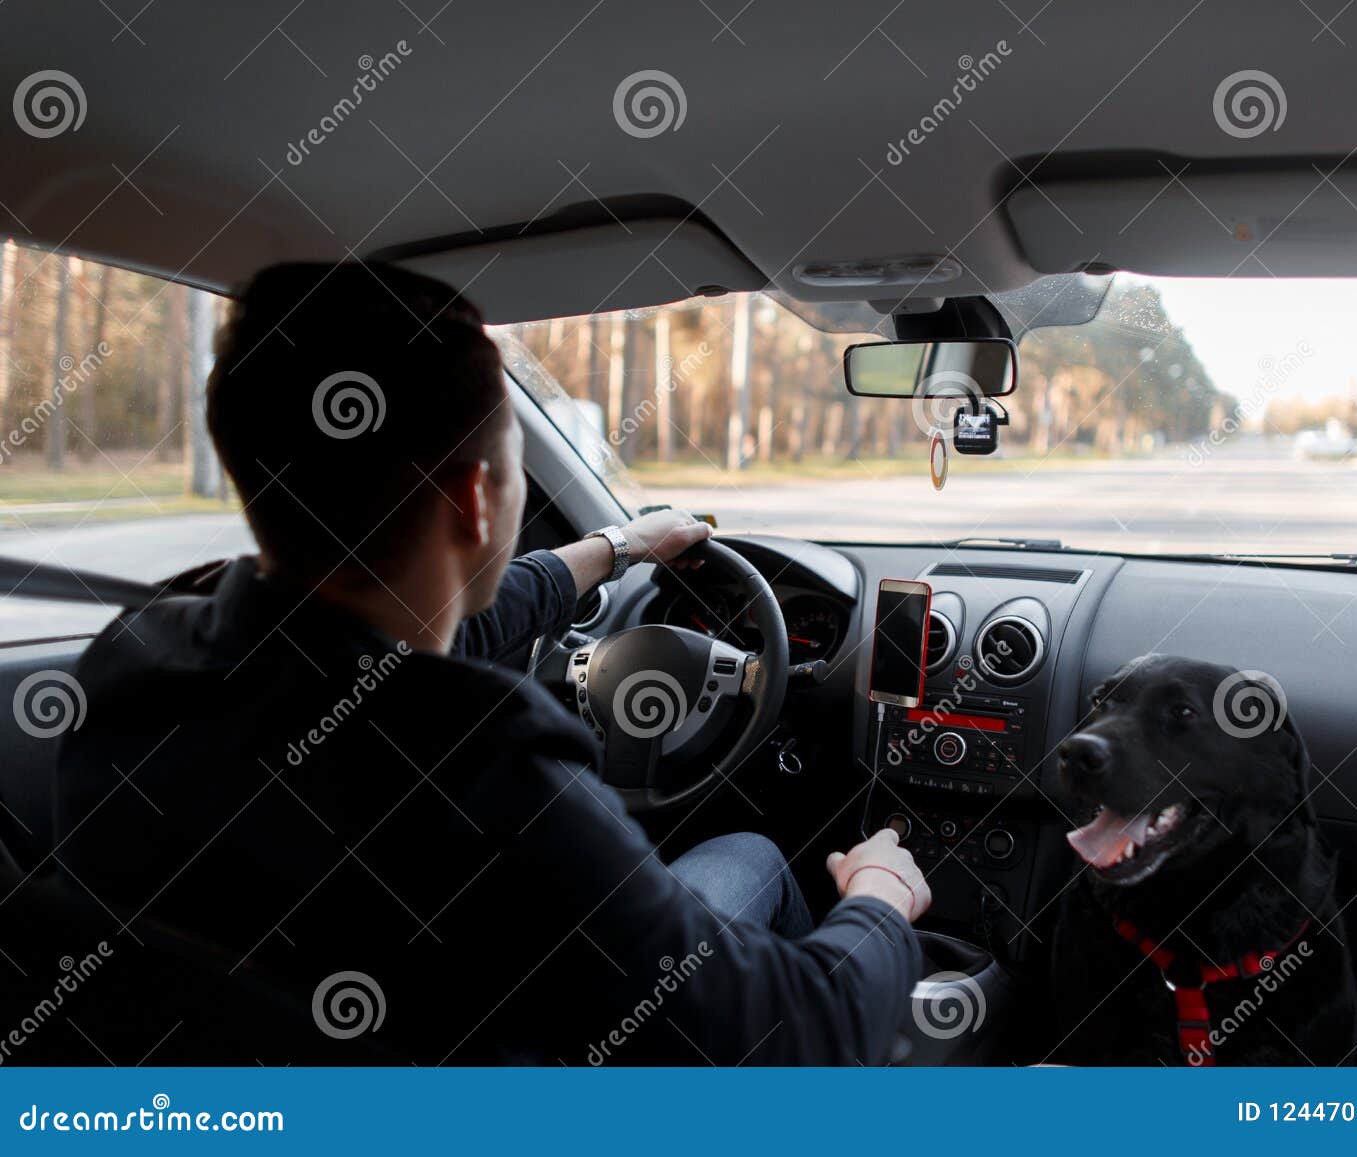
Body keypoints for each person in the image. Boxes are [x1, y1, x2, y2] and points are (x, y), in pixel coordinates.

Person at [54, 263, 930, 1065]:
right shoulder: (485, 777)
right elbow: (798, 1024)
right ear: (477, 500)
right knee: (757, 855)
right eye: (513, 471)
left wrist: (615, 549)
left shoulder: (135, 658)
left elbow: (426, 639)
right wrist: (881, 903)